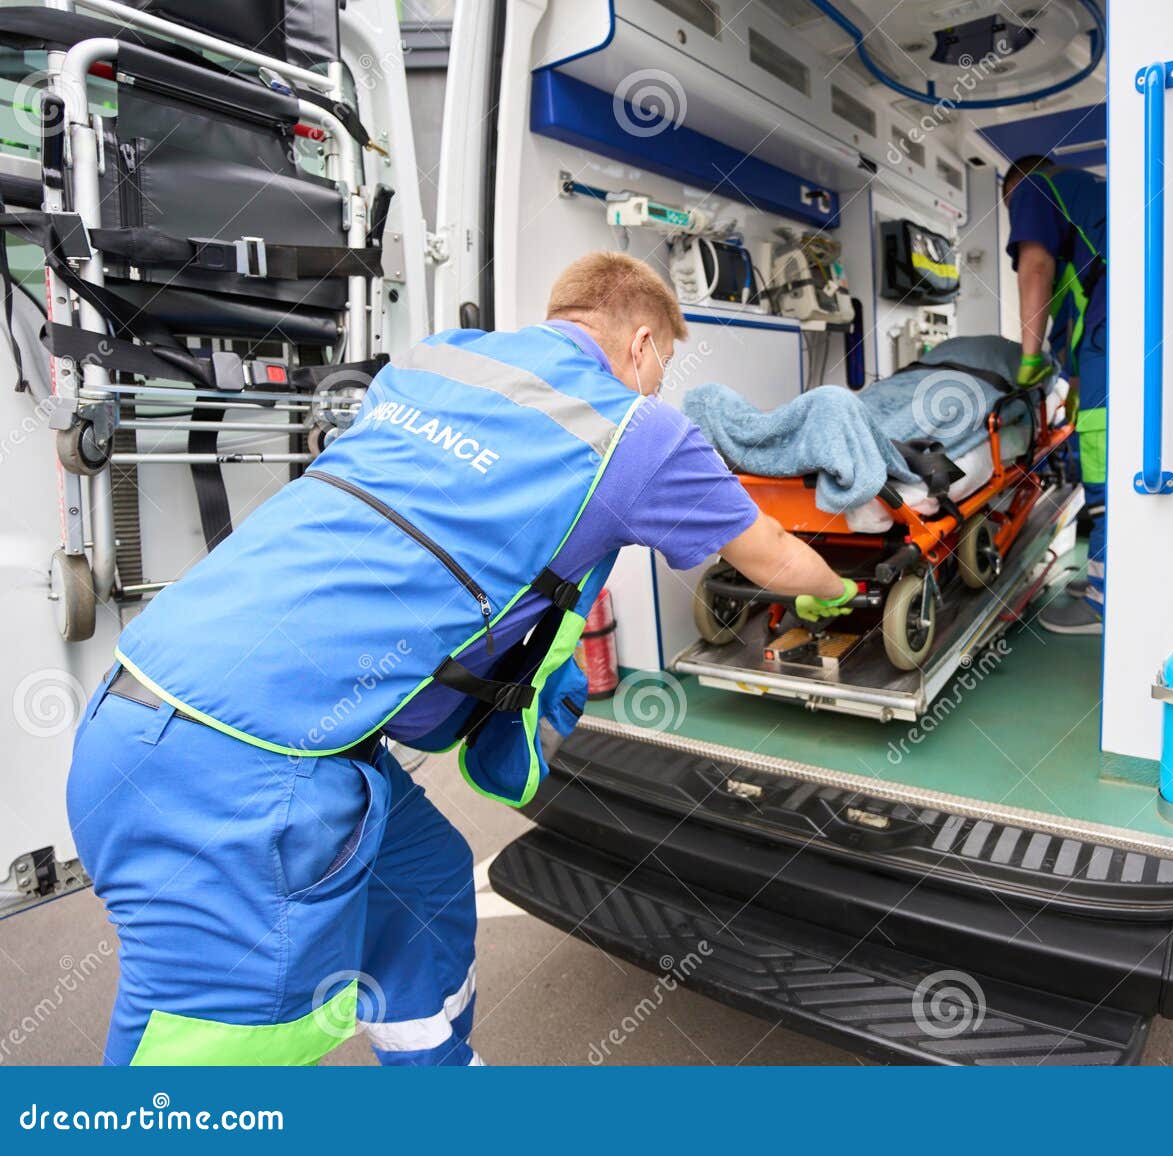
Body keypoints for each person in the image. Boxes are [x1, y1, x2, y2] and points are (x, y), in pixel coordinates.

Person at [65, 252, 858, 1066]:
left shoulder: (434, 360)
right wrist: (838, 591)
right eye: (661, 366)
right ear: (642, 342)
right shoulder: (635, 430)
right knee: (199, 1076)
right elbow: (773, 559)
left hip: (160, 707)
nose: (656, 384)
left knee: (424, 881)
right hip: (237, 772)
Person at [1003, 154, 1108, 634]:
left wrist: (1028, 359)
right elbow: (1076, 309)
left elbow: (1036, 269)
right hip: (1112, 344)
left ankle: (1106, 604)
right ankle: (1101, 582)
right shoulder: (1088, 201)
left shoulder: (1035, 187)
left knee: (1103, 463)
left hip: (1113, 341)